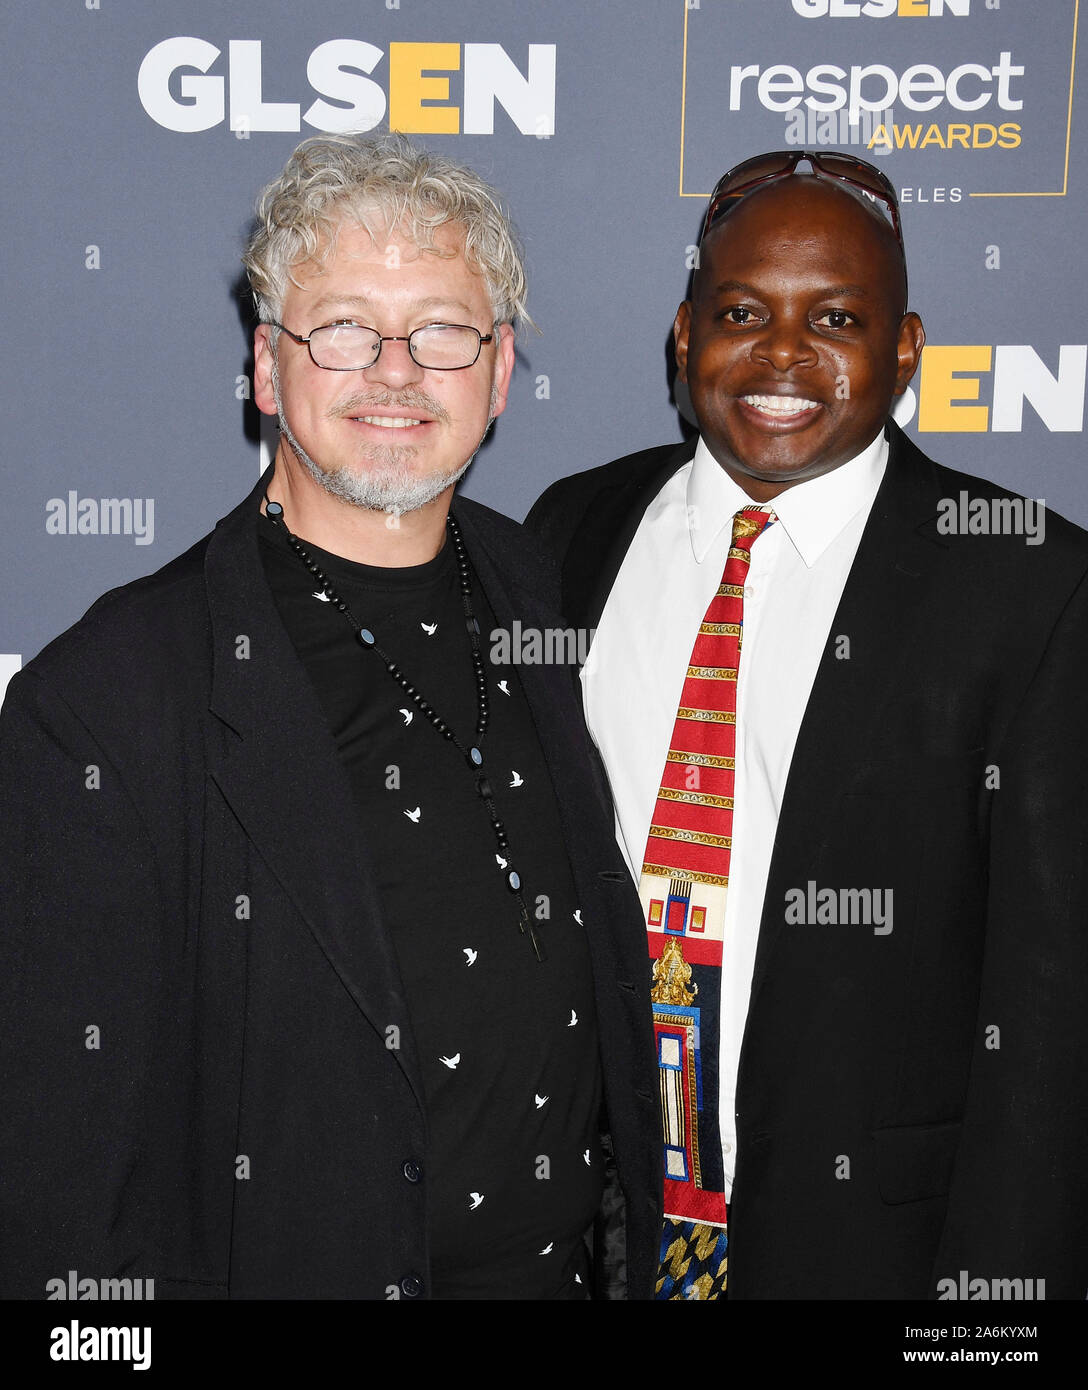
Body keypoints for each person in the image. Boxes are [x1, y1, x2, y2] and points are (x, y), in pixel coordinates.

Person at [0, 133, 661, 1301]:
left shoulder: (543, 587)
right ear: (266, 367)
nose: (395, 370)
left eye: (443, 331)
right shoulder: (108, 699)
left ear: (499, 373)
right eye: (345, 327)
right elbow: (62, 1174)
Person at [527, 151, 1088, 1300]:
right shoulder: (572, 528)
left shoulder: (1027, 582)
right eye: (740, 312)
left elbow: (1051, 1016)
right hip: (598, 1236)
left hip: (874, 1251)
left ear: (905, 349)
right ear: (683, 335)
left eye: (833, 317)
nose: (781, 356)